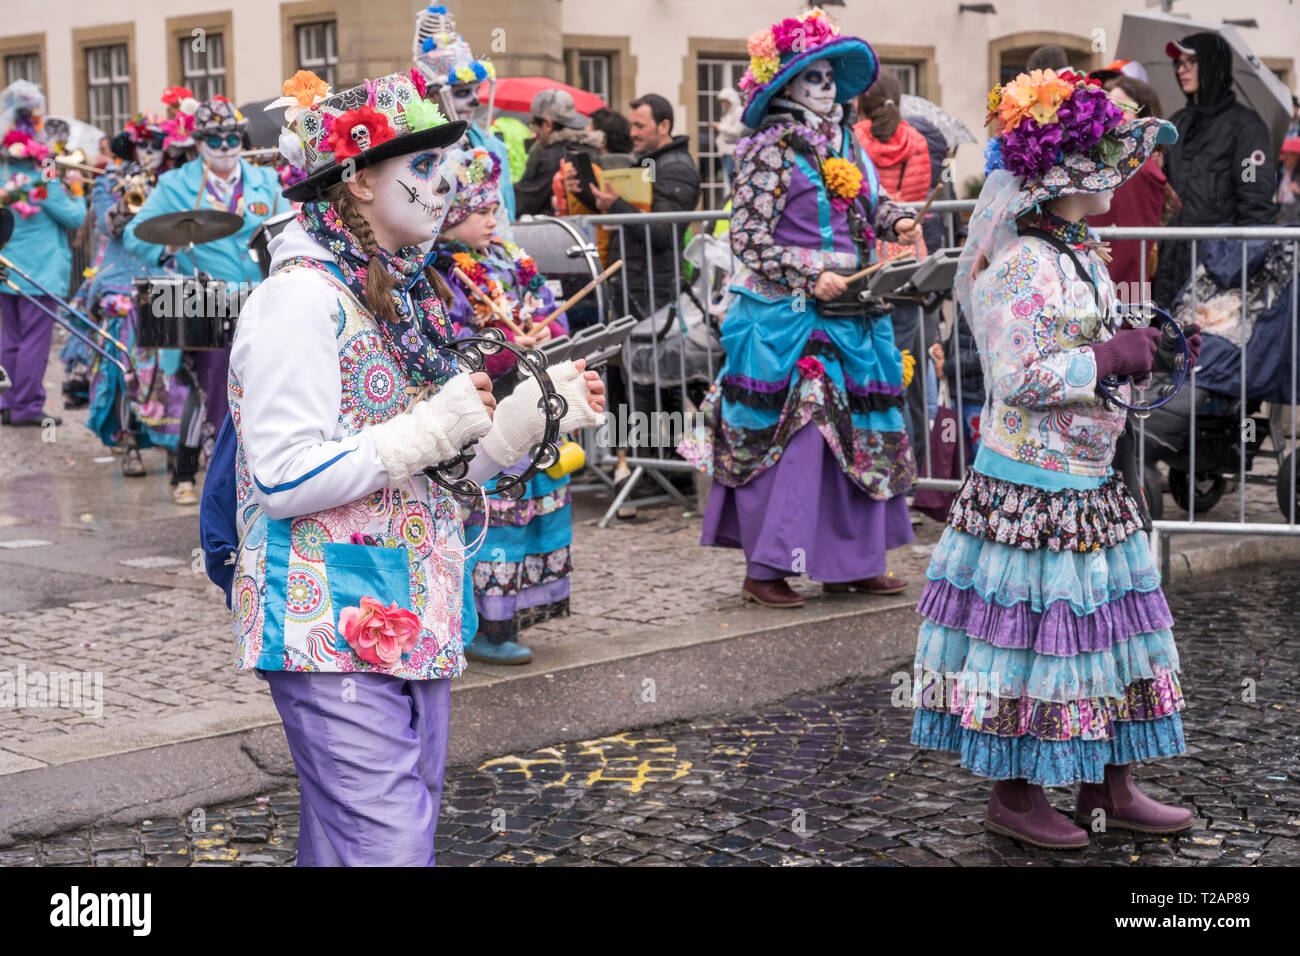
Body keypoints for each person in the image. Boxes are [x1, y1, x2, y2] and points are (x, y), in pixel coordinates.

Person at [229, 70, 604, 866]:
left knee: (369, 838)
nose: (446, 186)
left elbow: (437, 481)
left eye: (447, 165)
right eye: (424, 166)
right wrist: (431, 429)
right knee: (389, 845)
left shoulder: (402, 300)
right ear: (360, 180)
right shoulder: (297, 301)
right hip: (326, 625)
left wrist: (523, 424)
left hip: (415, 613)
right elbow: (284, 478)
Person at [910, 68, 1202, 849]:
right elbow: (1021, 376)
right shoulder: (1023, 264)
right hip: (1033, 491)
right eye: (1109, 158)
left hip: (1087, 483)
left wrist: (1152, 351)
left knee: (1107, 634)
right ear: (1069, 174)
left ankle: (1109, 786)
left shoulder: (1077, 254)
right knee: (1033, 643)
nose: (1121, 173)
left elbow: (1088, 347)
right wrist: (1109, 357)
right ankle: (1015, 793)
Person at [678, 8, 923, 608]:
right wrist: (809, 275)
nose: (827, 88)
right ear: (787, 85)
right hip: (786, 317)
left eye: (832, 77)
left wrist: (898, 220)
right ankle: (768, 567)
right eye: (814, 77)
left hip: (853, 310)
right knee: (798, 439)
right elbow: (747, 239)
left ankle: (850, 563)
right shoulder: (768, 149)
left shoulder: (848, 142)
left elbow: (872, 203)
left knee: (858, 433)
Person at [433, 146, 575, 665]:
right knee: (495, 516)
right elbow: (455, 346)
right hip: (489, 415)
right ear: (452, 217)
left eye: (495, 209)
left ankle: (516, 612)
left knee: (534, 512)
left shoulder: (510, 259)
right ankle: (484, 625)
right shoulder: (443, 272)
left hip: (530, 406)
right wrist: (505, 347)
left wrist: (548, 330)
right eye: (481, 212)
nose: (493, 220)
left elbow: (550, 311)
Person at [124, 96, 281, 503]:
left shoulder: (266, 181)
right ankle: (196, 475)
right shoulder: (175, 185)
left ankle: (259, 472)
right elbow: (133, 234)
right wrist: (169, 246)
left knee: (264, 386)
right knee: (209, 388)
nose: (226, 146)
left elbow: (287, 228)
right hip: (206, 301)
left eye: (232, 137)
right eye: (215, 139)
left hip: (260, 300)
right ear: (197, 143)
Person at [83, 112, 193, 487]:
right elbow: (108, 226)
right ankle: (129, 441)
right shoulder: (109, 181)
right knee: (126, 368)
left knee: (172, 369)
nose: (149, 151)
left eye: (155, 145)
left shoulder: (173, 182)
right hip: (121, 283)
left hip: (167, 280)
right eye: (142, 145)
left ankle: (174, 442)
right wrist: (128, 196)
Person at [1152, 33, 1278, 310]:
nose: (1181, 69)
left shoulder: (1247, 128)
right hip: (1171, 266)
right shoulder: (1177, 123)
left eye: (1191, 61)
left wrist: (1239, 269)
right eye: (1178, 63)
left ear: (1213, 64)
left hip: (1218, 271)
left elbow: (1256, 204)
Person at [565, 92, 701, 317]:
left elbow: (664, 231)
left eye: (640, 126)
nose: (632, 133)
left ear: (664, 126)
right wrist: (584, 193)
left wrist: (616, 205)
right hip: (637, 281)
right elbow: (632, 210)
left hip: (652, 287)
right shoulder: (652, 161)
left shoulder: (676, 168)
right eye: (631, 125)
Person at [0, 80, 86, 428]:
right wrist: (75, 189)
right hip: (40, 273)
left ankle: (5, 401)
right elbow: (73, 216)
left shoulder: (3, 172)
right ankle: (26, 406)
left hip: (7, 270)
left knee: (9, 340)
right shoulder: (43, 173)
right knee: (34, 342)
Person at [854, 71, 932, 452]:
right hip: (911, 261)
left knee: (874, 371)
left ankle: (879, 454)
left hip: (872, 262)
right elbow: (922, 194)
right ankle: (912, 459)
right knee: (907, 371)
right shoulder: (918, 141)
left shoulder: (853, 140)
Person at [411, 3, 515, 222]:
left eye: (476, 90)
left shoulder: (490, 145)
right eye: (462, 92)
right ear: (432, 96)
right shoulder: (413, 147)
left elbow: (506, 211)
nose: (475, 101)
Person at [1089, 76, 1174, 300]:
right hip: (1103, 287)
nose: (1111, 113)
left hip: (1118, 294)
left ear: (1143, 118)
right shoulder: (1116, 163)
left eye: (1121, 107)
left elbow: (1131, 251)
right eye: (1109, 105)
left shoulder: (1139, 171)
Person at [514, 89, 604, 217]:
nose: (533, 131)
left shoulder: (550, 157)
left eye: (533, 124)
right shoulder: (593, 149)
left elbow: (522, 202)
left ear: (547, 124)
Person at [1277, 137, 1300, 224]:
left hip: (1295, 219)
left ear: (1297, 157)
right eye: (1285, 154)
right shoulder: (1284, 171)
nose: (1285, 157)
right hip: (1284, 217)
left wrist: (1297, 190)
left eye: (1290, 155)